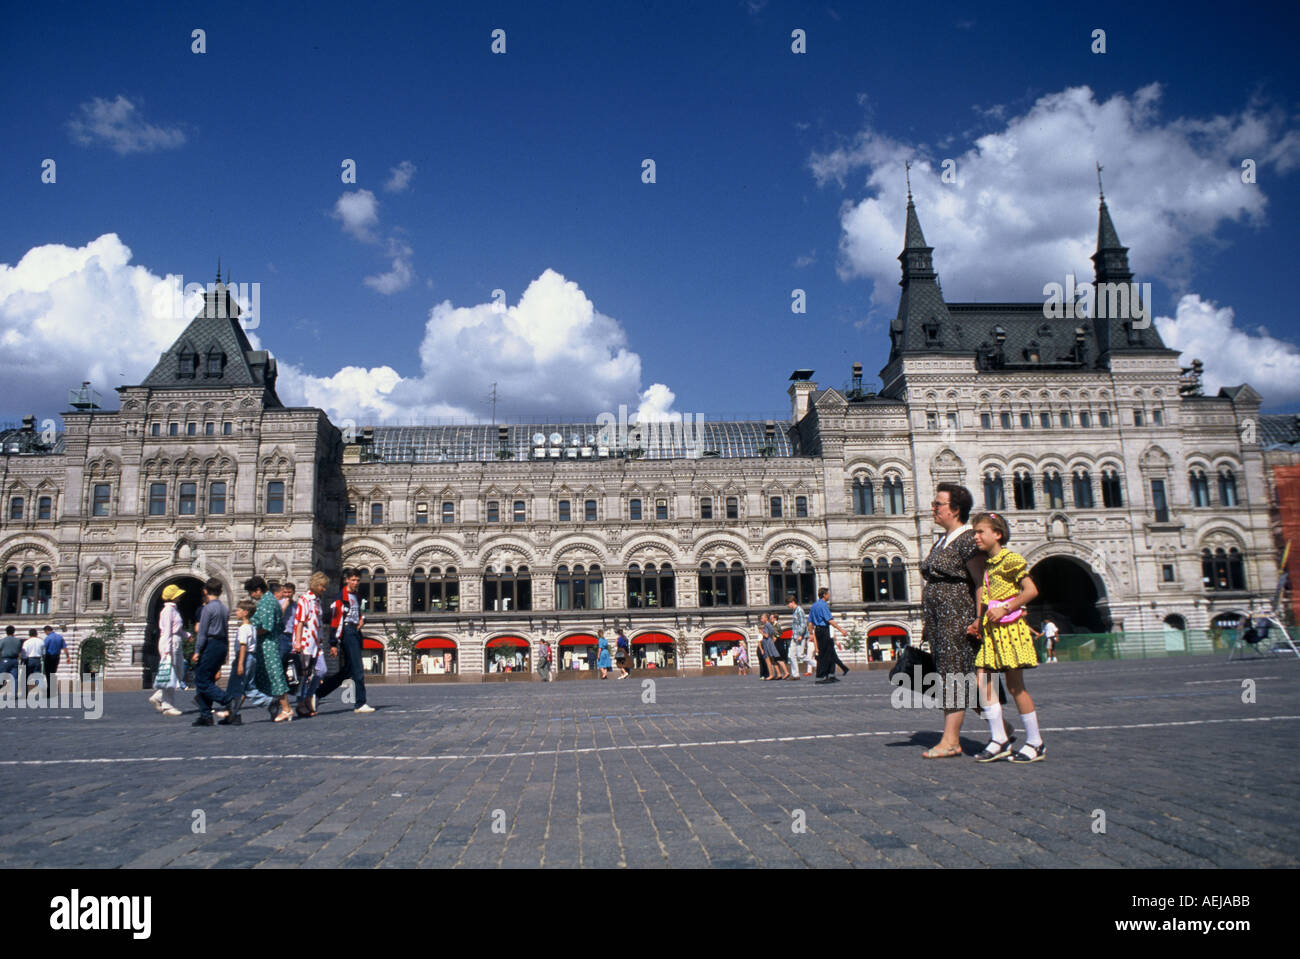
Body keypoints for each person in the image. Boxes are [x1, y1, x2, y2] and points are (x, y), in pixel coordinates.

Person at [967, 511, 1046, 763]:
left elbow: (1031, 590)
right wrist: (980, 620)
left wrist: (1006, 608)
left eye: (980, 532)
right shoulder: (988, 564)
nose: (976, 536)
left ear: (997, 534)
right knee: (982, 681)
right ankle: (999, 738)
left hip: (1009, 630)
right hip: (991, 632)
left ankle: (1035, 742)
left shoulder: (1010, 559)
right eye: (975, 532)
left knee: (1015, 687)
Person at [317, 569, 373, 713]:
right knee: (358, 669)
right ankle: (360, 703)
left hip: (355, 630)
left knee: (348, 670)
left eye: (358, 580)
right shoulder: (340, 598)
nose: (355, 583)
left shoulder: (356, 596)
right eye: (353, 580)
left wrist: (362, 619)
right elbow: (335, 621)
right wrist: (333, 643)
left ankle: (318, 693)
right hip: (347, 632)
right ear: (347, 580)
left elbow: (359, 612)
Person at [246, 576, 293, 722]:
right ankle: (274, 705)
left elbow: (266, 627)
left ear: (258, 590)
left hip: (268, 644)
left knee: (275, 675)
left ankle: (286, 709)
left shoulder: (266, 602)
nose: (251, 596)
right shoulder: (270, 600)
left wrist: (250, 631)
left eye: (251, 593)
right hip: (269, 642)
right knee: (266, 676)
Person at [191, 578, 230, 726]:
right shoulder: (224, 608)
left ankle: (228, 700)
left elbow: (202, 632)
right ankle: (205, 715)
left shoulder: (207, 608)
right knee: (208, 679)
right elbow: (226, 630)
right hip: (221, 644)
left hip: (210, 644)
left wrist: (197, 651)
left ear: (205, 591)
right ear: (220, 592)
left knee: (201, 680)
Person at [291, 572, 327, 717]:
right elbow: (300, 621)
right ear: (315, 584)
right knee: (304, 675)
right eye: (322, 586)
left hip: (316, 643)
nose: (324, 589)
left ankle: (308, 696)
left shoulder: (317, 601)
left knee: (322, 670)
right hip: (305, 643)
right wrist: (298, 642)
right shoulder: (305, 599)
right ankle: (301, 704)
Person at [149, 585, 186, 717]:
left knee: (177, 673)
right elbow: (167, 632)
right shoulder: (168, 611)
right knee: (173, 673)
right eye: (178, 594)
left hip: (174, 641)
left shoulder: (173, 610)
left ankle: (158, 696)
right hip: (170, 644)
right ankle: (167, 705)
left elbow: (176, 629)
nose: (180, 597)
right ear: (174, 596)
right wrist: (166, 650)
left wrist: (186, 635)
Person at [221, 599, 258, 725]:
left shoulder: (243, 628)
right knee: (248, 687)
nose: (236, 612)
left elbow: (243, 646)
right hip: (252, 657)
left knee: (234, 687)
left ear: (245, 612)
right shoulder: (252, 627)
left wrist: (240, 663)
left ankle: (233, 714)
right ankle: (269, 701)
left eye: (238, 610)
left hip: (244, 657)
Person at [811, 588, 849, 684]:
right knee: (824, 654)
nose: (829, 596)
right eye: (828, 594)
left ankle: (831, 675)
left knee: (830, 652)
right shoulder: (823, 605)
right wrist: (841, 630)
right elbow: (829, 620)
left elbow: (810, 621)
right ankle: (821, 676)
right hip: (824, 630)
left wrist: (811, 633)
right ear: (824, 595)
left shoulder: (814, 605)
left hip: (818, 629)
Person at [787, 594, 809, 680]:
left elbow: (803, 623)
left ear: (792, 602)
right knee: (791, 654)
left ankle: (817, 664)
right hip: (794, 636)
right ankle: (795, 675)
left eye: (788, 603)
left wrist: (800, 635)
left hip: (800, 636)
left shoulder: (800, 610)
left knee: (800, 655)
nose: (787, 606)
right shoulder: (794, 611)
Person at [761, 613, 787, 680]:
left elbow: (767, 635)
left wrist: (761, 632)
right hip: (769, 642)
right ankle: (778, 673)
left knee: (769, 659)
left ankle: (771, 674)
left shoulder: (767, 625)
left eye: (762, 618)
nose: (761, 620)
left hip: (768, 643)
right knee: (774, 659)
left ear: (766, 618)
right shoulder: (769, 625)